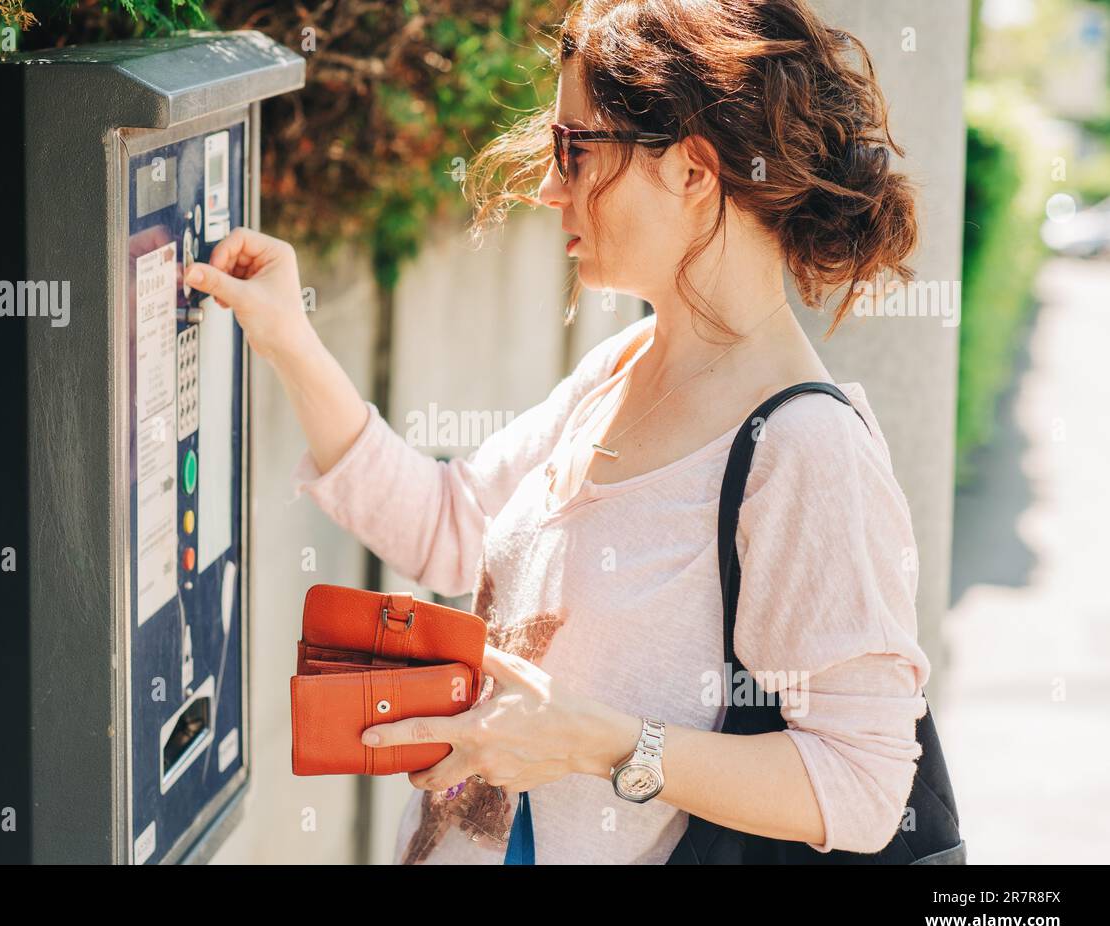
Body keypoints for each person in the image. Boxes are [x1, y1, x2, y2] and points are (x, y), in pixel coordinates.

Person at [184, 0, 931, 865]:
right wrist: (287, 336)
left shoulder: (807, 451)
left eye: (575, 150)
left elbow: (865, 784)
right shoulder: (622, 366)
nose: (548, 185)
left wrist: (601, 743)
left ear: (693, 170)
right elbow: (449, 523)